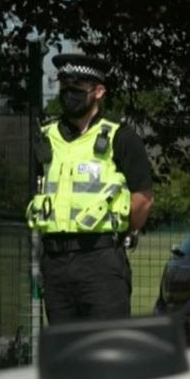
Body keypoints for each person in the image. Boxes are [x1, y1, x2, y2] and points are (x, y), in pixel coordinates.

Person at [26, 53, 154, 324]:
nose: (69, 95)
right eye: (65, 88)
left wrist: (121, 232)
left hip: (101, 260)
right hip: (56, 262)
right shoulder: (46, 139)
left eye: (78, 89)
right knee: (66, 353)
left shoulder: (121, 137)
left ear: (99, 92)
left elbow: (142, 199)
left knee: (107, 350)